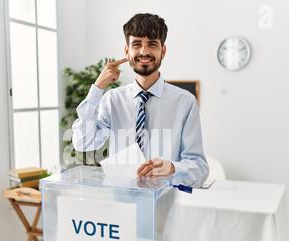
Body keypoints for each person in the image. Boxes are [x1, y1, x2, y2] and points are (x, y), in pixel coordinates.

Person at [72, 13, 209, 187]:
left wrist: (172, 168)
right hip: (121, 201)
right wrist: (97, 89)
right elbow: (83, 142)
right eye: (137, 44)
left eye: (152, 44)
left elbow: (200, 168)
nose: (144, 51)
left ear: (163, 51)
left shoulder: (185, 102)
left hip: (165, 203)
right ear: (127, 51)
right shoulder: (111, 100)